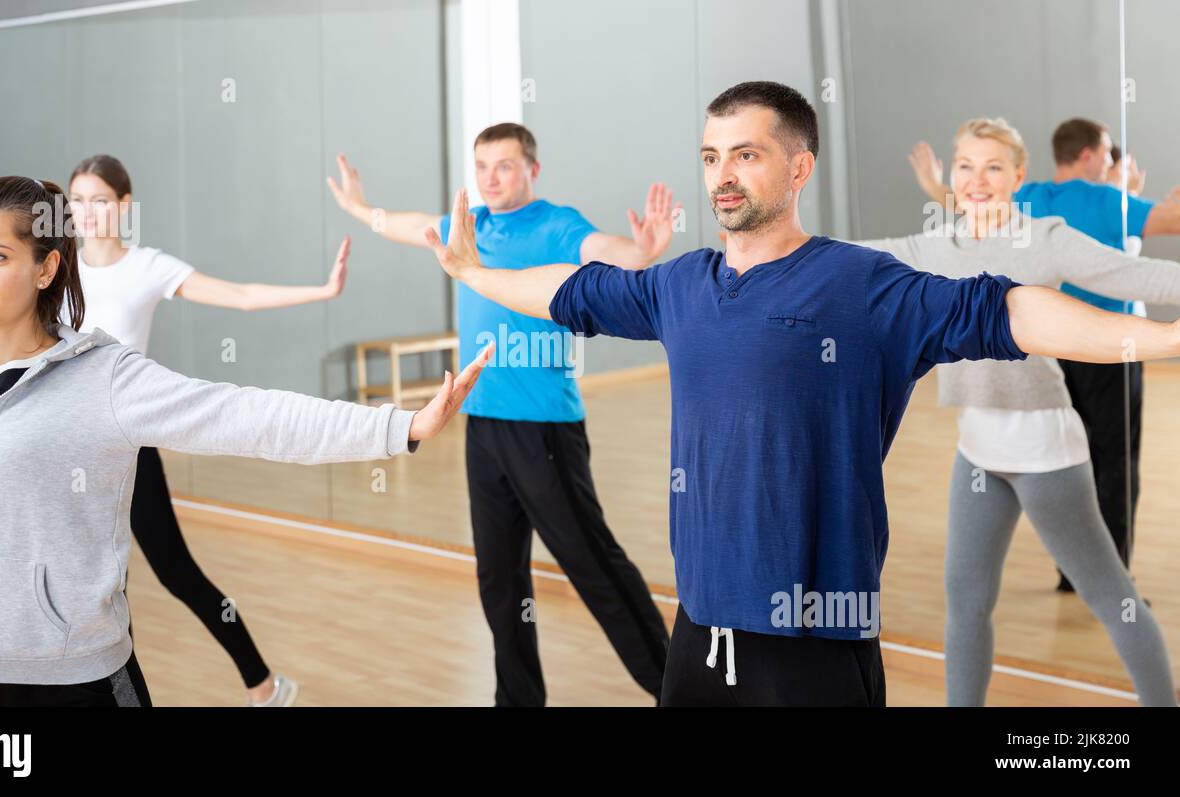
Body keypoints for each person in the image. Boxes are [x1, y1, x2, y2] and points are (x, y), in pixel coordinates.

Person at [424, 81, 1180, 706]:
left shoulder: (860, 286)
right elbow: (573, 289)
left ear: (798, 169)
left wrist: (1168, 338)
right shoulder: (680, 285)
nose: (722, 174)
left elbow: (1010, 309)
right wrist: (471, 272)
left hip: (814, 649)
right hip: (699, 637)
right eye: (712, 156)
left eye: (746, 155)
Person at [0, 175, 488, 706]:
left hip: (80, 683)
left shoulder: (105, 380)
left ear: (45, 268)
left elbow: (247, 416)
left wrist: (398, 426)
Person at [326, 123, 676, 706]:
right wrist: (361, 208)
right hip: (482, 426)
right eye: (482, 165)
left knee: (593, 565)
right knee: (499, 578)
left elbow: (609, 252)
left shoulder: (557, 224)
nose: (491, 177)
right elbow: (411, 225)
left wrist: (643, 251)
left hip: (545, 430)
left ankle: (676, 689)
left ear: (532, 170)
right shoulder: (471, 228)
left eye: (505, 165)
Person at [856, 118, 1176, 705]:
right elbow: (854, 260)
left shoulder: (1045, 236)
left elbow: (1137, 274)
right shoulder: (934, 246)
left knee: (1110, 593)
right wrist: (771, 250)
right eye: (967, 167)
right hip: (977, 449)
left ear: (1019, 177)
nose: (979, 180)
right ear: (953, 176)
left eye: (994, 167)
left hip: (1045, 450)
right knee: (967, 600)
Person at [909, 120, 1180, 589]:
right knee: (1114, 460)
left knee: (1077, 459)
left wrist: (936, 185)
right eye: (1110, 154)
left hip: (1044, 344)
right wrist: (1132, 195)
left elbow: (971, 212)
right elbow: (1158, 245)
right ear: (1092, 155)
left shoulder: (1027, 197)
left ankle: (1071, 574)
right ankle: (1108, 572)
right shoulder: (1106, 200)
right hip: (1109, 347)